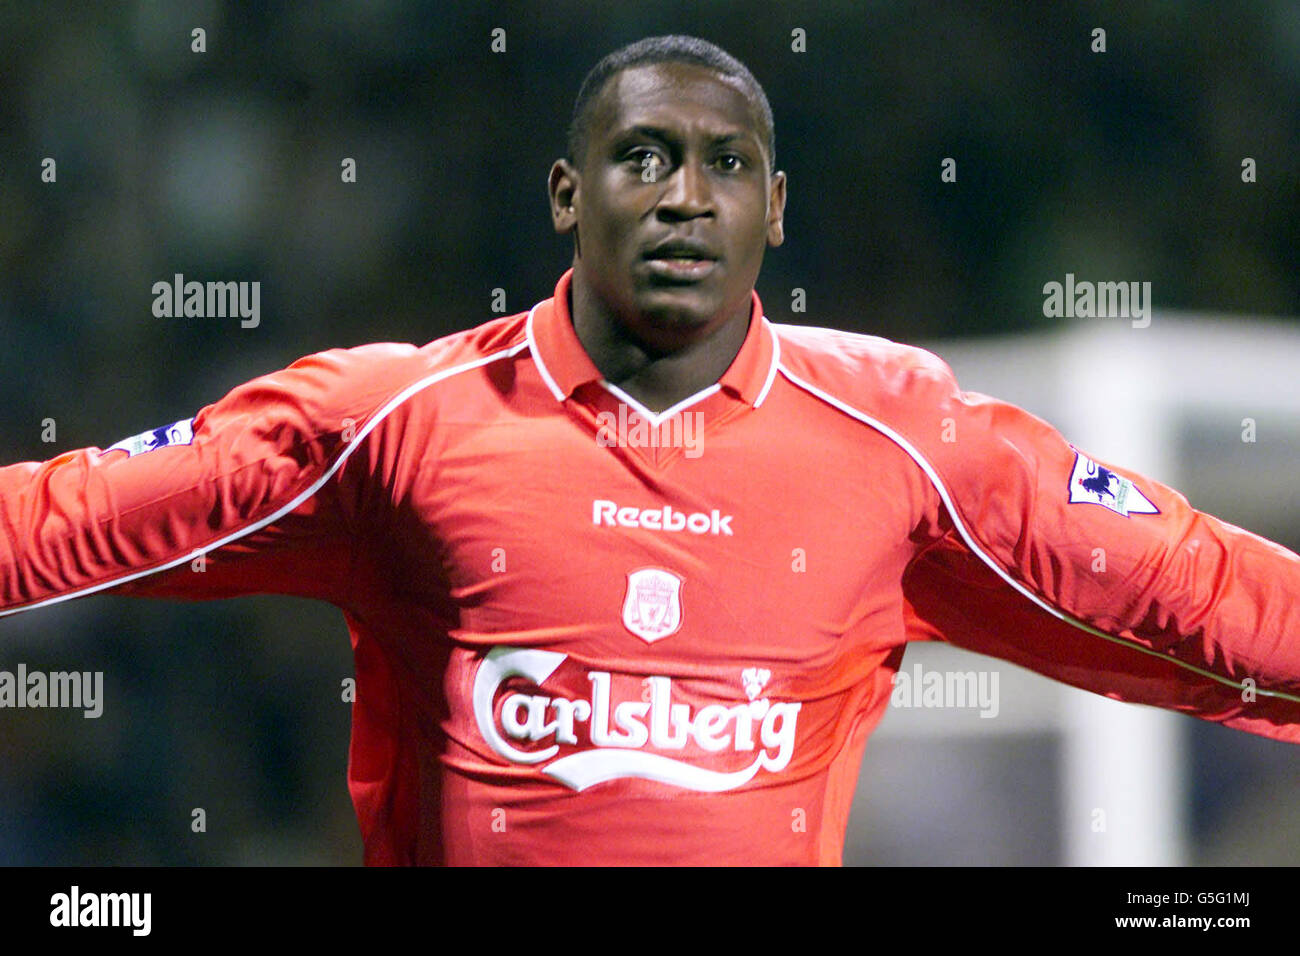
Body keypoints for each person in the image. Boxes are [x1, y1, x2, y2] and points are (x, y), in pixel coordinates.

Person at [3, 34, 1300, 866]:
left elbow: (1199, 598)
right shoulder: (395, 423)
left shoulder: (899, 442)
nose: (687, 195)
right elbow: (62, 523)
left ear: (775, 210)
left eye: (727, 164)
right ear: (567, 193)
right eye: (643, 157)